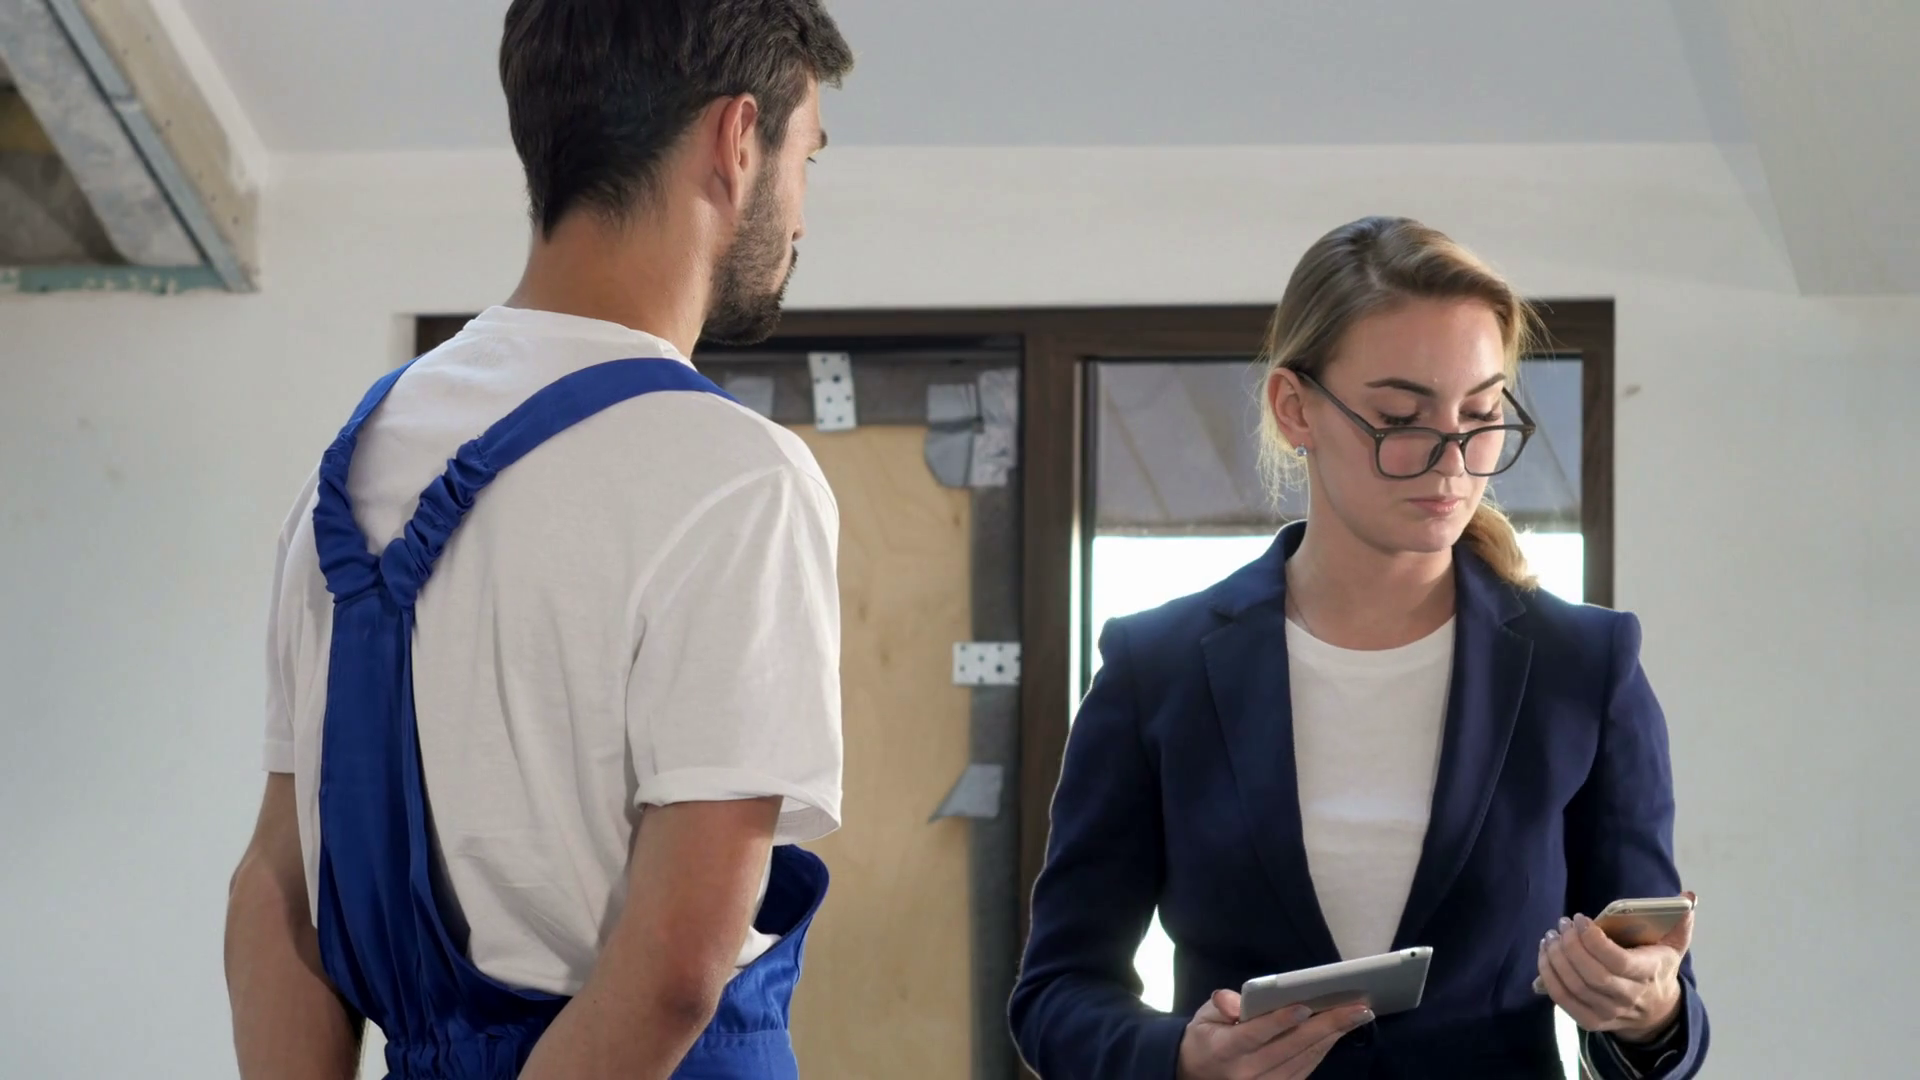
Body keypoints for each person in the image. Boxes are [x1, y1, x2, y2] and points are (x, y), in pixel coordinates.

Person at [221, 3, 853, 1078]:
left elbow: (274, 899)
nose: (801, 214)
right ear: (736, 141)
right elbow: (673, 971)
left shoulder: (353, 466)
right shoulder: (734, 477)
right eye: (807, 156)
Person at [1009, 217, 1708, 1079]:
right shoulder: (1158, 670)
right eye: (1399, 417)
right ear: (1294, 408)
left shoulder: (1584, 668)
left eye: (1483, 415)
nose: (1453, 460)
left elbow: (1663, 1015)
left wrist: (1649, 1010)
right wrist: (1181, 1059)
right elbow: (1056, 994)